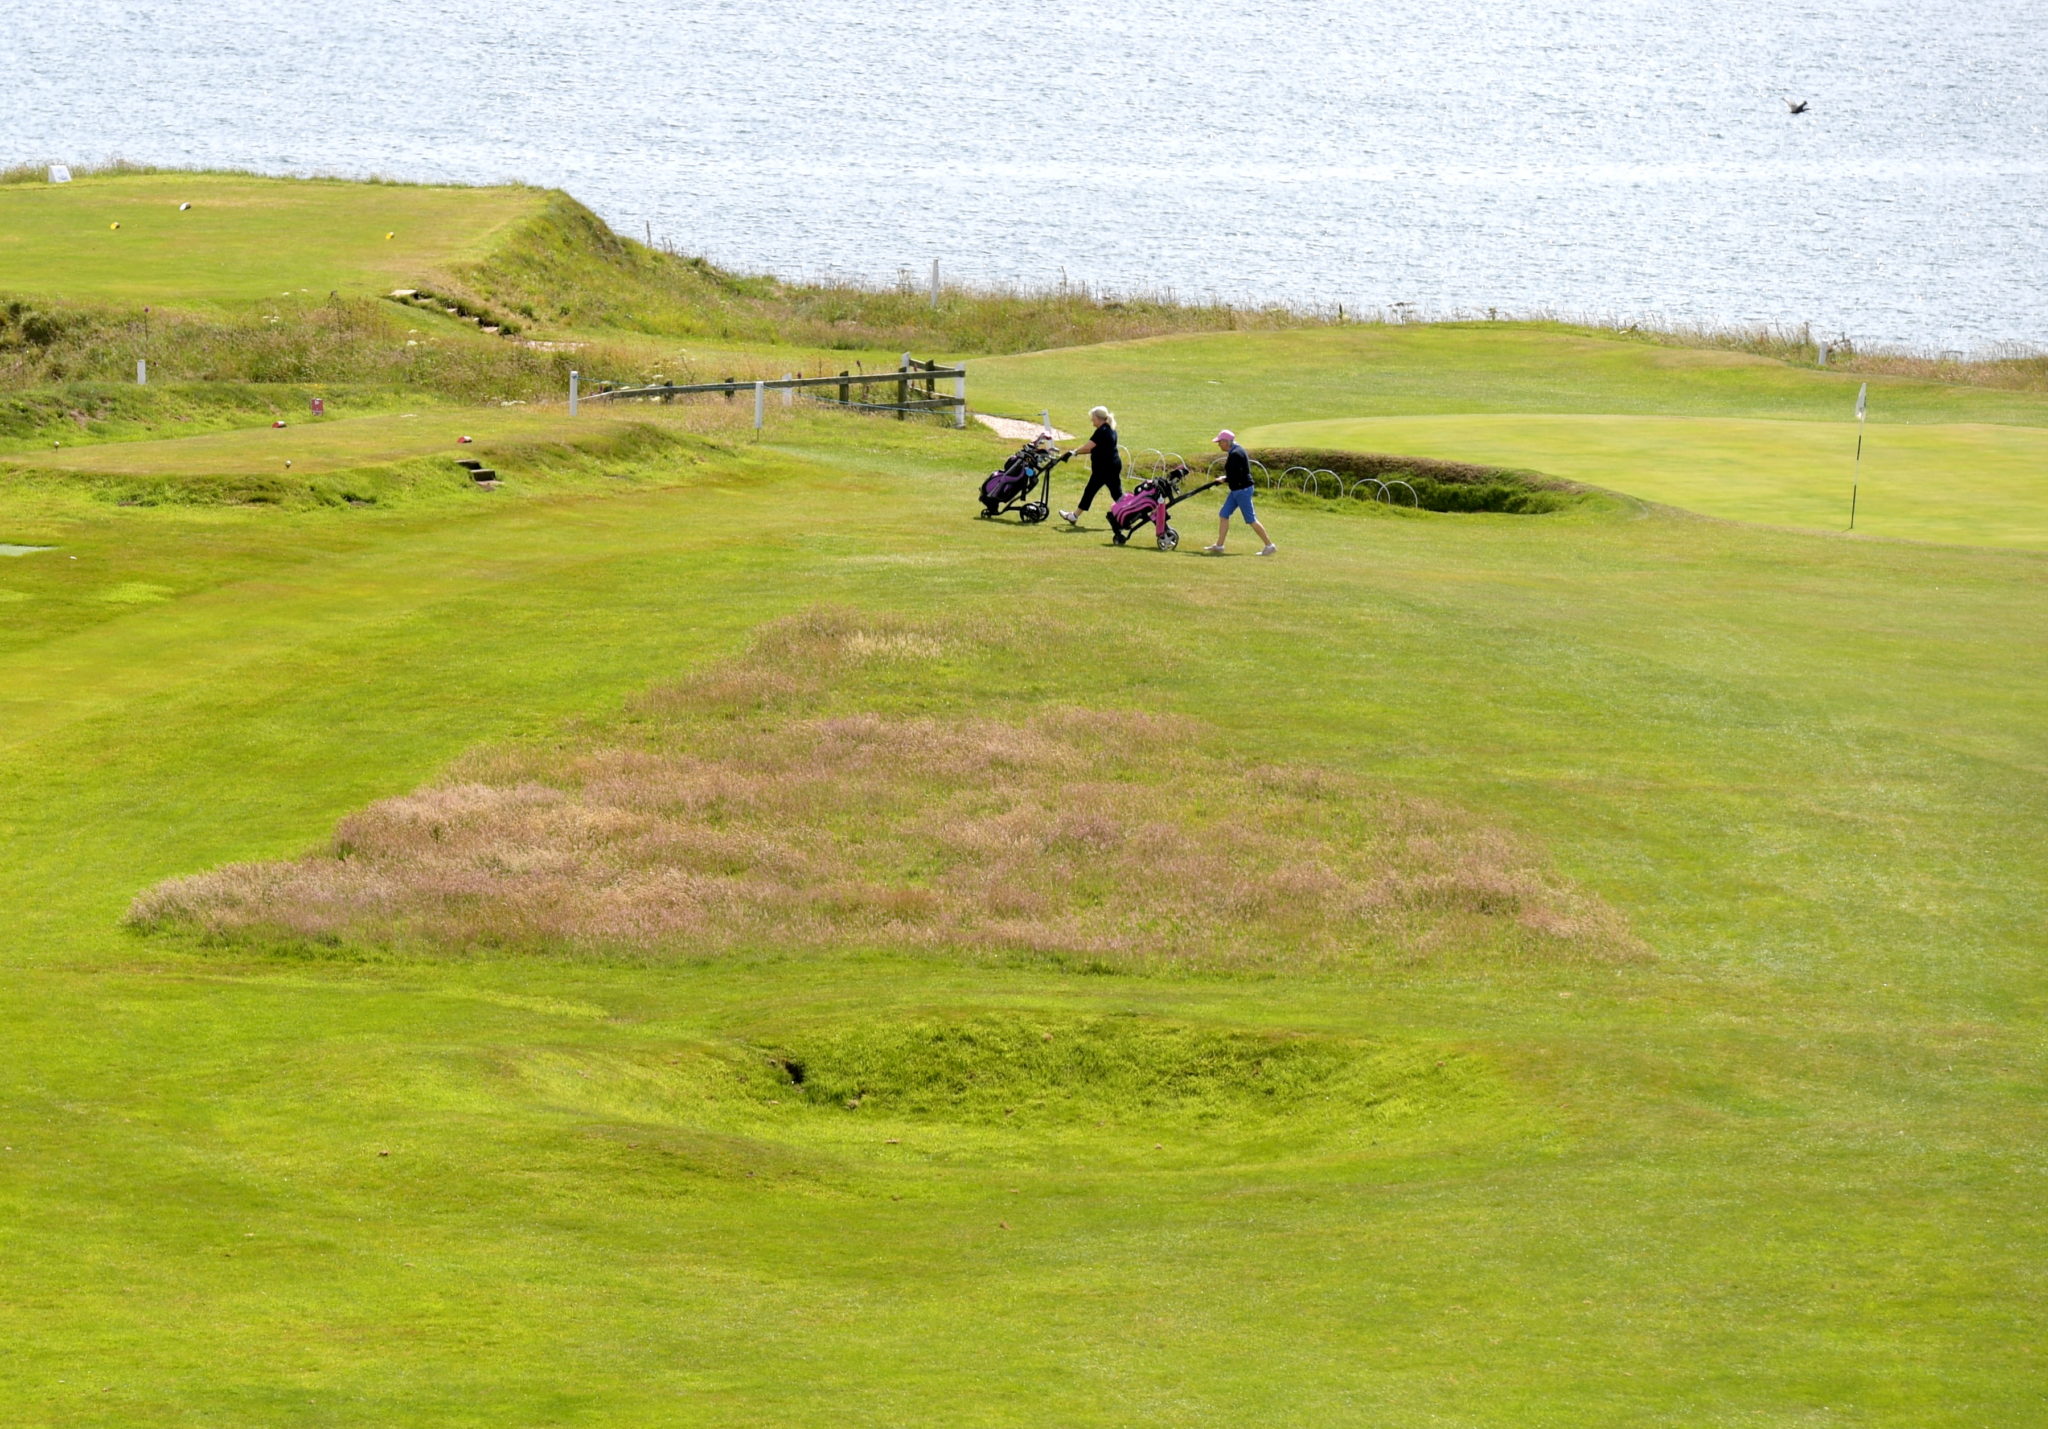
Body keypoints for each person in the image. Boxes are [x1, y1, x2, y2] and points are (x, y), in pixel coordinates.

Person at [1205, 429, 1276, 555]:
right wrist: (1226, 478)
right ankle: (1219, 546)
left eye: (1220, 442)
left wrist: (1224, 479)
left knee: (1251, 519)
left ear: (1226, 442)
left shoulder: (1236, 454)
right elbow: (1236, 472)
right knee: (1224, 514)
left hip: (1242, 490)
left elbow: (1237, 475)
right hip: (1236, 489)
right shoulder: (1236, 450)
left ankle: (1269, 545)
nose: (1219, 445)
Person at [1059, 406, 1123, 525]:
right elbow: (1094, 448)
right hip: (1111, 466)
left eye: (1093, 417)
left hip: (1104, 468)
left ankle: (1074, 516)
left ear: (1098, 418)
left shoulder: (1102, 431)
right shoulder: (1109, 428)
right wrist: (1075, 452)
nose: (1091, 420)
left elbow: (1088, 447)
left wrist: (1074, 452)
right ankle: (1128, 515)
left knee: (1091, 490)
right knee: (1116, 493)